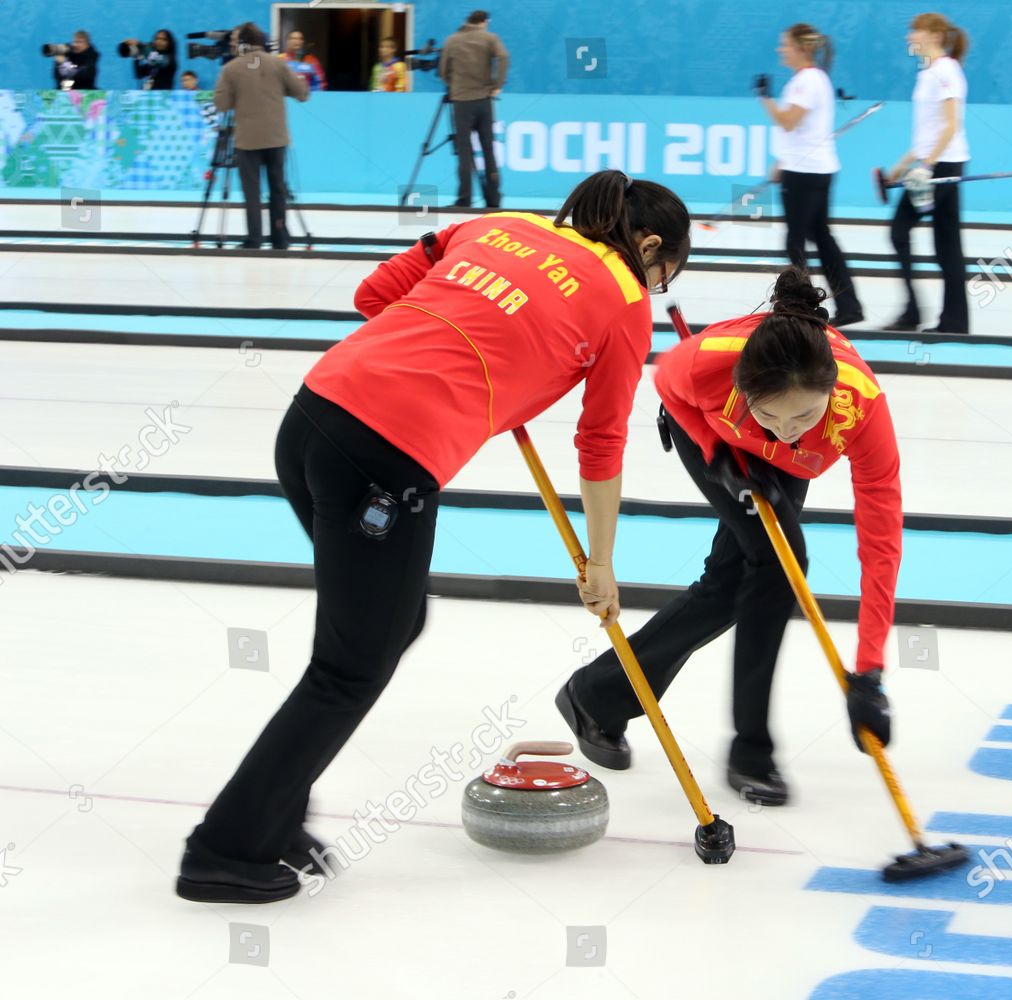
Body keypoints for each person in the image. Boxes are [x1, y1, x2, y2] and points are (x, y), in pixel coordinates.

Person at [176, 170, 692, 903]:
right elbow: (601, 440)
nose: (658, 288)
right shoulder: (625, 302)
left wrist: (489, 349)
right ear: (649, 245)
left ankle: (273, 817)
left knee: (387, 628)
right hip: (387, 462)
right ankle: (225, 850)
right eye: (666, 275)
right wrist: (601, 562)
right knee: (350, 667)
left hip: (313, 416)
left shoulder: (498, 224)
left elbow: (375, 295)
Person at [556, 268, 901, 806]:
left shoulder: (860, 408)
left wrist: (871, 670)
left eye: (805, 415)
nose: (788, 428)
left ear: (830, 393)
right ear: (744, 389)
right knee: (779, 566)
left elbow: (880, 544)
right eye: (774, 416)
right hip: (712, 431)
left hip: (785, 465)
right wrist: (719, 460)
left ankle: (598, 692)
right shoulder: (708, 362)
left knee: (730, 582)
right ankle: (751, 752)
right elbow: (667, 383)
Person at [758, 24, 863, 328]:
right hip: (813, 168)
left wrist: (765, 98)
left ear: (800, 48)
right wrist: (782, 160)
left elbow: (789, 122)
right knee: (823, 239)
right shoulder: (815, 79)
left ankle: (798, 307)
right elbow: (803, 131)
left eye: (784, 44)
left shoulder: (805, 81)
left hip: (804, 173)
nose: (780, 49)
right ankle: (849, 305)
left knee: (795, 242)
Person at [885, 12, 970, 334]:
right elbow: (928, 134)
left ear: (934, 34)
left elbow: (952, 125)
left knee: (899, 230)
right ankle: (954, 322)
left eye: (914, 31)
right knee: (946, 243)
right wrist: (902, 165)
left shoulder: (947, 70)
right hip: (934, 164)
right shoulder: (928, 73)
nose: (909, 37)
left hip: (942, 168)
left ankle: (913, 314)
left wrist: (924, 167)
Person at [213, 23, 310, 251]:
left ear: (241, 43)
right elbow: (301, 93)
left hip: (247, 140)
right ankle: (280, 238)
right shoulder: (278, 64)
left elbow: (221, 104)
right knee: (277, 188)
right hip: (276, 138)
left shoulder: (231, 68)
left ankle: (254, 239)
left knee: (252, 191)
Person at [440, 10, 509, 209]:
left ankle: (465, 199)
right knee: (488, 150)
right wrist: (497, 84)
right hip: (484, 101)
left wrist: (455, 85)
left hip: (461, 101)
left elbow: (443, 71)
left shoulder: (452, 40)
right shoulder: (490, 38)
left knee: (464, 151)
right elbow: (504, 56)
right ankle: (493, 199)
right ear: (484, 22)